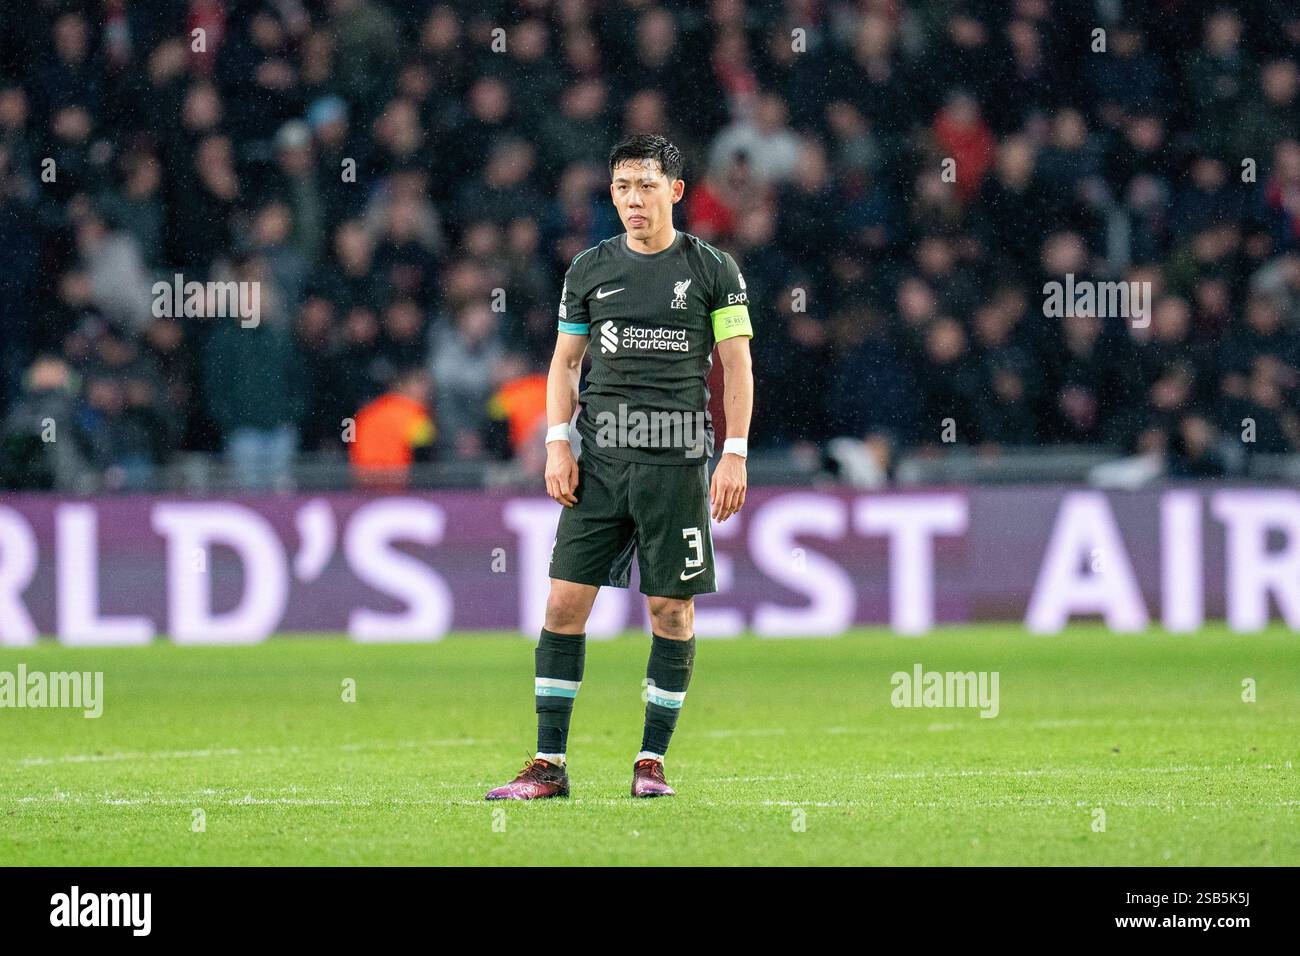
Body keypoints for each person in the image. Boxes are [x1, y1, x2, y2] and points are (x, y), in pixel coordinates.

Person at [484, 134, 754, 800]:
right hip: (600, 464)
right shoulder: (588, 270)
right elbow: (565, 364)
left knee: (670, 611)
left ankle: (651, 763)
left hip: (676, 465)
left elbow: (737, 366)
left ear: (676, 191)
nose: (633, 199)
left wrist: (734, 453)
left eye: (646, 185)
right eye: (621, 187)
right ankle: (549, 764)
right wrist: (555, 442)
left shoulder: (713, 269)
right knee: (564, 602)